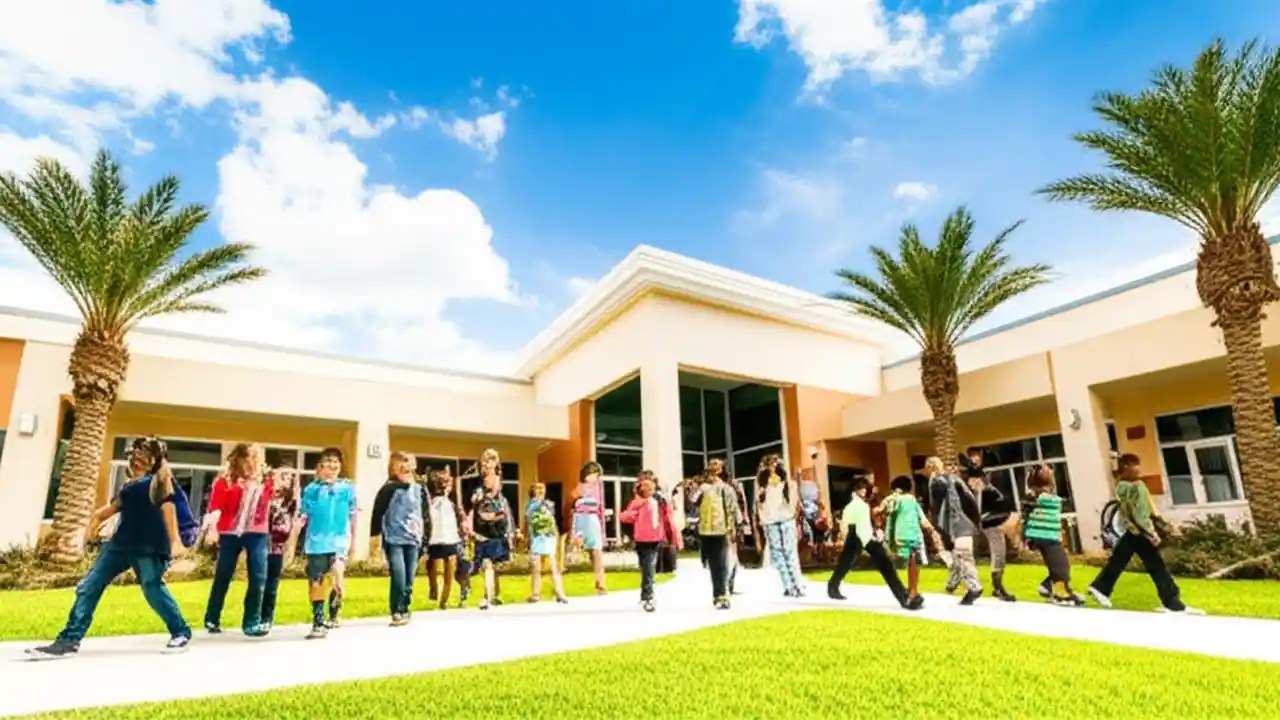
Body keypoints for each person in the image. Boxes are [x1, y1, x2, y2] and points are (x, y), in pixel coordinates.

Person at [27, 437, 192, 659]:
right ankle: (69, 640)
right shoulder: (129, 487)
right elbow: (107, 511)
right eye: (133, 453)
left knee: (152, 589)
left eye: (140, 453)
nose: (134, 457)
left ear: (153, 459)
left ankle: (180, 632)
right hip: (120, 545)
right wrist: (92, 526)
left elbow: (169, 509)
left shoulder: (159, 482)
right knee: (89, 585)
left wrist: (175, 543)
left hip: (149, 547)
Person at [1088, 453, 1203, 614]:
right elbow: (1141, 513)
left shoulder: (1120, 487)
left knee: (1120, 561)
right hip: (1140, 532)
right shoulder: (1137, 487)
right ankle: (1172, 602)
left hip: (1132, 531)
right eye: (1135, 466)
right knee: (1156, 566)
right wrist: (1152, 533)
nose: (1139, 470)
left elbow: (1129, 512)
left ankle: (1100, 587)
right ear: (1126, 467)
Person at [202, 443, 274, 637]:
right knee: (223, 575)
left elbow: (276, 503)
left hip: (257, 533)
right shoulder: (225, 481)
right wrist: (213, 529)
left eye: (255, 459)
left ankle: (251, 622)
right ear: (238, 461)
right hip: (229, 533)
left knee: (258, 577)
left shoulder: (266, 482)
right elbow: (215, 507)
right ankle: (212, 618)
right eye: (247, 459)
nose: (251, 464)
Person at [827, 475, 918, 610]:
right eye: (860, 488)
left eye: (864, 488)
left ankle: (833, 586)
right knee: (885, 565)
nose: (863, 490)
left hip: (859, 535)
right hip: (863, 535)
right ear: (854, 489)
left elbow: (848, 524)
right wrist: (872, 538)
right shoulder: (859, 505)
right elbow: (857, 525)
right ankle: (903, 597)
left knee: (845, 562)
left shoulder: (855, 504)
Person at [300, 447, 358, 639]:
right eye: (327, 462)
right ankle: (318, 621)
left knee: (336, 578)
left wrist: (354, 541)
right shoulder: (311, 489)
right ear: (319, 467)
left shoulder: (347, 487)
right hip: (316, 543)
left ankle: (333, 613)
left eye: (336, 463)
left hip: (339, 541)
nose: (332, 466)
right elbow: (304, 515)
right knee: (317, 582)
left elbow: (353, 514)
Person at [370, 452, 426, 626]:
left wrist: (426, 539)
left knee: (409, 578)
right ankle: (396, 610)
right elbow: (377, 513)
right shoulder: (388, 488)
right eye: (400, 463)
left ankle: (405, 607)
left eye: (407, 462)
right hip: (393, 538)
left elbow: (425, 514)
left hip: (413, 539)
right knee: (399, 575)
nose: (404, 467)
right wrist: (375, 538)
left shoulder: (419, 489)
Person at [1022, 464, 1084, 606]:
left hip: (1049, 535)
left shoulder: (1046, 495)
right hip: (1044, 536)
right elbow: (1029, 504)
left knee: (1062, 565)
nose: (1052, 475)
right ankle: (1060, 594)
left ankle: (1050, 587)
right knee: (1059, 567)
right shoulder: (1038, 496)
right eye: (1049, 473)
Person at [620, 470, 681, 612]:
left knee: (649, 567)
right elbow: (624, 517)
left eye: (650, 485)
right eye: (644, 484)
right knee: (645, 567)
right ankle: (645, 595)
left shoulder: (659, 500)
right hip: (640, 538)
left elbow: (668, 519)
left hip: (654, 538)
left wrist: (673, 537)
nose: (647, 488)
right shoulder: (636, 501)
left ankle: (648, 597)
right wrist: (635, 513)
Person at [927, 456, 983, 605]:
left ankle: (974, 586)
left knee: (961, 557)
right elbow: (970, 500)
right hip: (965, 523)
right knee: (963, 557)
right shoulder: (955, 480)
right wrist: (975, 520)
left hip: (952, 526)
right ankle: (957, 584)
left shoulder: (936, 483)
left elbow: (939, 509)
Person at [964, 448, 1016, 602]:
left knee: (999, 554)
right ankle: (997, 587)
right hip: (990, 522)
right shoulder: (974, 484)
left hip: (997, 520)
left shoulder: (983, 480)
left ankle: (997, 586)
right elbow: (976, 504)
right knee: (998, 554)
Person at [880, 474, 938, 609]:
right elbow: (922, 519)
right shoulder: (911, 500)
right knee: (913, 564)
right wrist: (932, 531)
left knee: (895, 564)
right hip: (912, 536)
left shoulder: (891, 499)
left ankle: (906, 592)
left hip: (895, 538)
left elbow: (878, 511)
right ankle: (913, 593)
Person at [755, 454, 804, 598]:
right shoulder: (762, 485)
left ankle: (797, 585)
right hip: (771, 521)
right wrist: (762, 519)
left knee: (789, 553)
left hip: (785, 520)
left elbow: (794, 502)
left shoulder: (788, 483)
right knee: (778, 555)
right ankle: (789, 586)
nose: (772, 468)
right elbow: (759, 504)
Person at [692, 468, 741, 609]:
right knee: (713, 565)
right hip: (706, 531)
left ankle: (724, 594)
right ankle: (717, 595)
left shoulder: (726, 489)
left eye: (714, 474)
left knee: (723, 564)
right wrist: (698, 488)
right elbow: (692, 500)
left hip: (721, 530)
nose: (711, 477)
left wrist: (731, 528)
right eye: (708, 474)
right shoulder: (703, 489)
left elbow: (731, 509)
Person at [471, 448, 514, 611]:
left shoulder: (495, 479)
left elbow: (492, 494)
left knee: (489, 563)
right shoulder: (478, 479)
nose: (487, 463)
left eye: (490, 460)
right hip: (482, 523)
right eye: (485, 460)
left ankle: (488, 596)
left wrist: (481, 496)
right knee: (488, 564)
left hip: (494, 524)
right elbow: (474, 501)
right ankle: (492, 594)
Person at [261, 465, 301, 630]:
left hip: (278, 546)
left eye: (290, 477)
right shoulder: (265, 494)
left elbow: (294, 522)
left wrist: (290, 547)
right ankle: (253, 615)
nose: (286, 479)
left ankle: (266, 618)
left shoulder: (291, 500)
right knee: (258, 582)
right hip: (260, 543)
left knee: (271, 583)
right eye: (283, 475)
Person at [424, 467, 464, 610]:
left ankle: (444, 599)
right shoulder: (431, 499)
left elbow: (458, 513)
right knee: (432, 565)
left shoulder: (451, 501)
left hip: (450, 537)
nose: (445, 484)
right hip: (436, 537)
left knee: (449, 566)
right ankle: (434, 588)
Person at [526, 482, 568, 604]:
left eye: (542, 488)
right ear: (533, 491)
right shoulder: (530, 505)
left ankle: (559, 592)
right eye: (537, 488)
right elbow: (528, 521)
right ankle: (535, 594)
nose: (540, 490)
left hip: (549, 537)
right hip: (536, 537)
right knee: (536, 567)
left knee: (553, 566)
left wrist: (556, 534)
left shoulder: (549, 504)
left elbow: (552, 520)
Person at [571, 461, 608, 595]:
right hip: (580, 519)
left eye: (595, 473)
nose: (593, 476)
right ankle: (598, 580)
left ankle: (600, 582)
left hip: (592, 519)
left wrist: (580, 502)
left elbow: (596, 504)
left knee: (596, 551)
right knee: (589, 551)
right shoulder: (580, 486)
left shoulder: (598, 486)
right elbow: (574, 502)